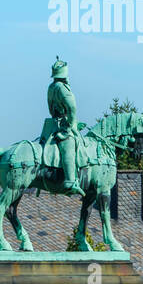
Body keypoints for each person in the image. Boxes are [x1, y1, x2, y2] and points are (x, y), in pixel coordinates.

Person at [46, 57, 83, 194]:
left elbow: (50, 109)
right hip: (63, 125)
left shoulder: (51, 87)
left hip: (52, 123)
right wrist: (70, 125)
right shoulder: (62, 89)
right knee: (69, 145)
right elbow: (72, 109)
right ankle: (70, 180)